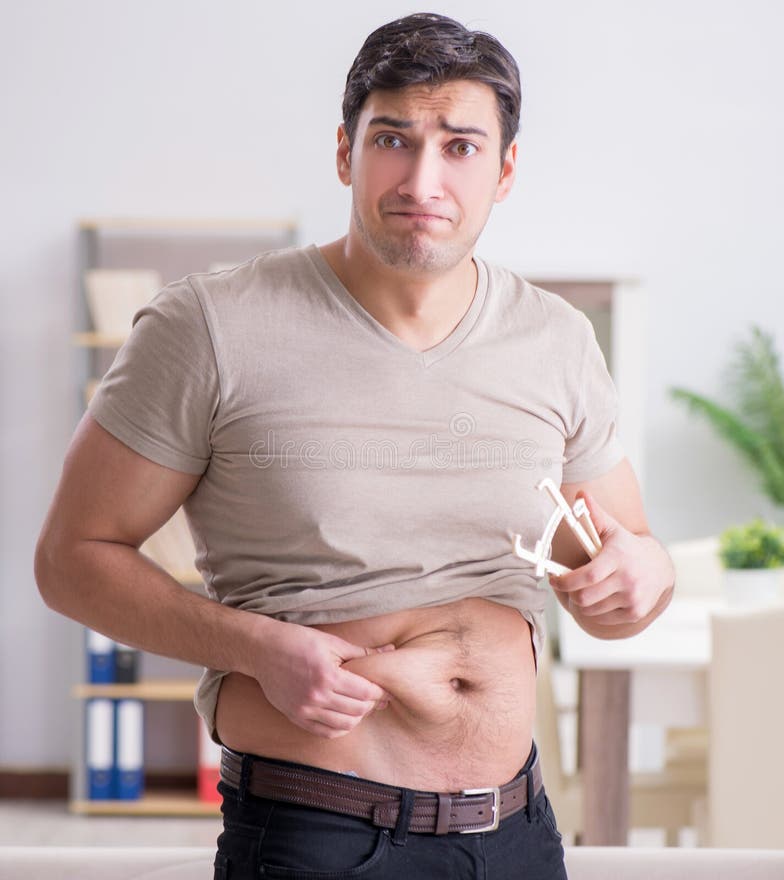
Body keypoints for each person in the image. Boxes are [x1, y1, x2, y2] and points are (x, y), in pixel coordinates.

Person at [35, 12, 675, 879]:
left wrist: (641, 576)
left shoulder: (555, 339)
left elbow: (626, 556)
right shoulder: (212, 326)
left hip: (516, 832)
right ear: (345, 152)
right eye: (392, 139)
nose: (422, 179)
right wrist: (253, 648)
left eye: (459, 146)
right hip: (316, 834)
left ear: (505, 169)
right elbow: (72, 558)